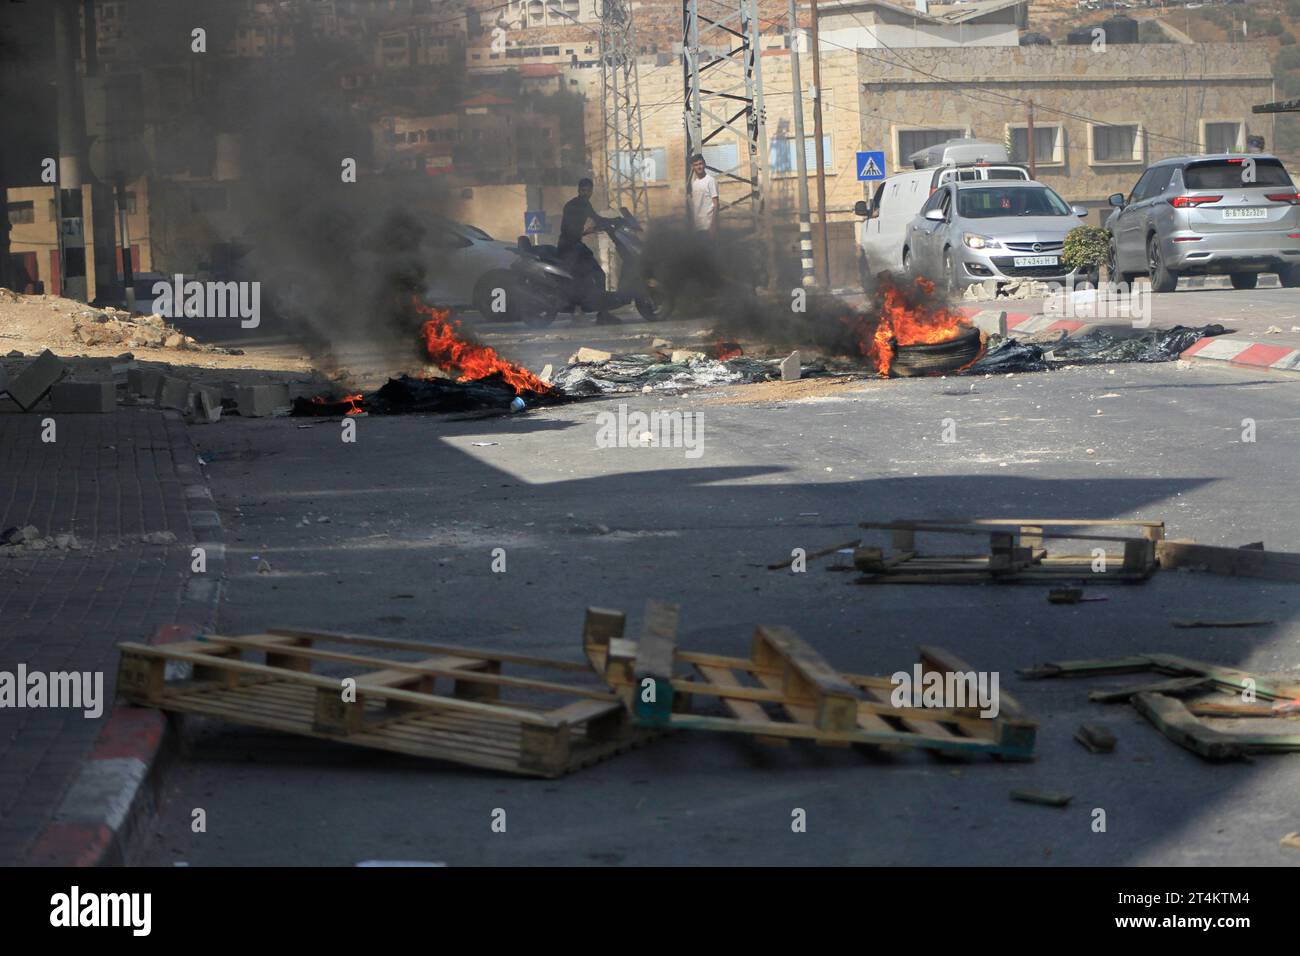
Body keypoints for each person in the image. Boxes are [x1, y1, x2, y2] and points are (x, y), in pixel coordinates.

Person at [558, 177, 618, 324]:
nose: (586, 193)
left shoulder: (576, 204)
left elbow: (573, 228)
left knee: (582, 277)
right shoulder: (581, 205)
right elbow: (597, 219)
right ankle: (602, 313)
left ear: (591, 191)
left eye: (588, 190)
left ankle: (582, 308)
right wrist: (615, 222)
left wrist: (590, 230)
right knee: (599, 274)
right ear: (579, 190)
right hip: (571, 247)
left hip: (569, 244)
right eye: (583, 190)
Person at [687, 154, 719, 236]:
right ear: (693, 167)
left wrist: (713, 225)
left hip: (708, 227)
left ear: (704, 164)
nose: (699, 167)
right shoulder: (694, 183)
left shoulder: (710, 180)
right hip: (697, 227)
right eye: (696, 165)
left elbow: (716, 204)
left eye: (700, 164)